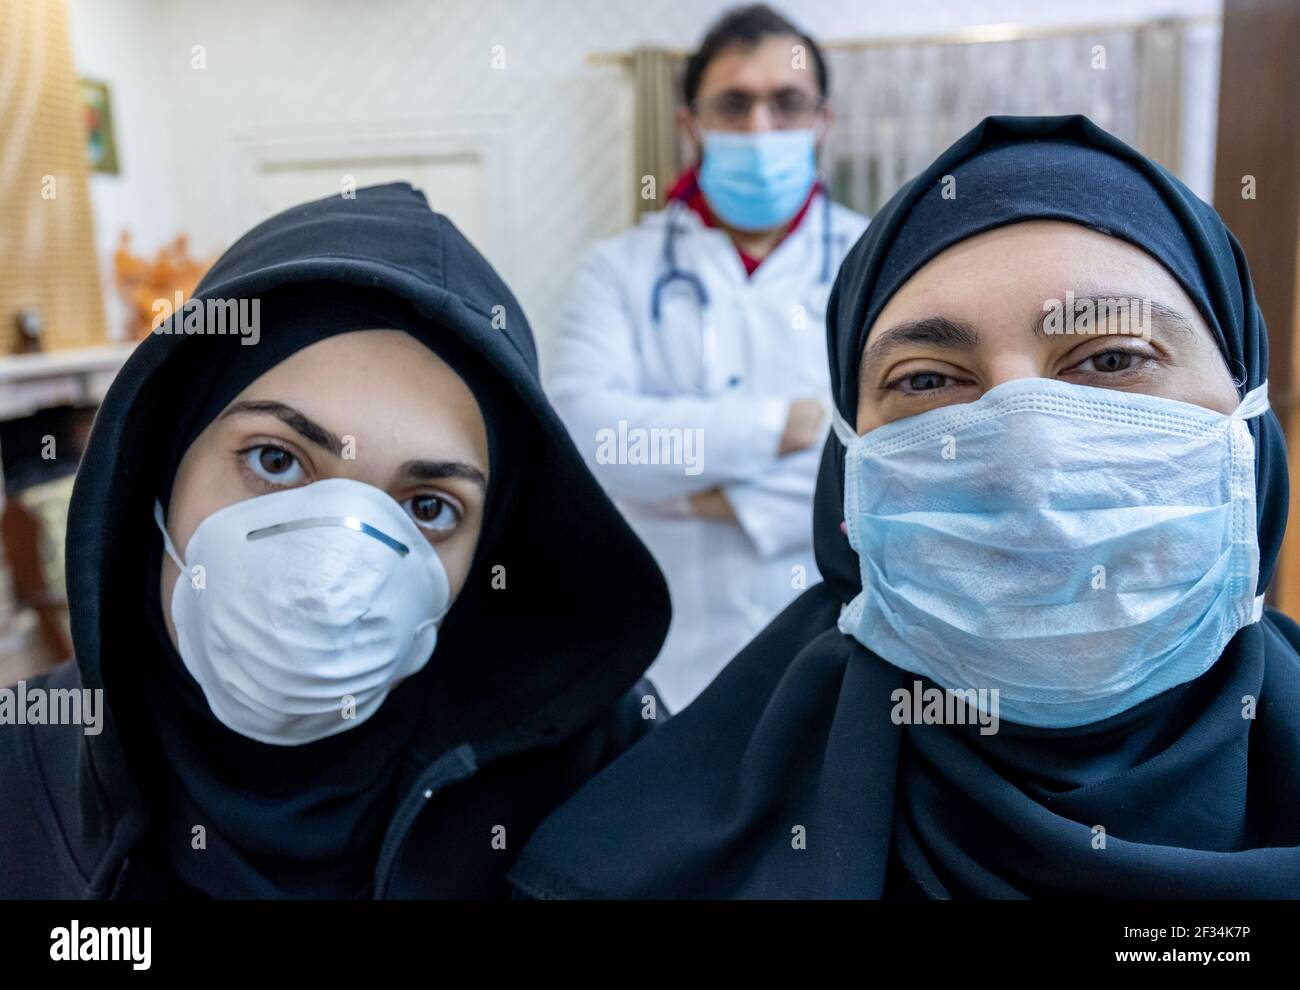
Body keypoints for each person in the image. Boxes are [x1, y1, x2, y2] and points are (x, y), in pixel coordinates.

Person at [507, 116, 1300, 898]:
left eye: (1113, 358)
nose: (1026, 460)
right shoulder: (635, 870)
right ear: (846, 463)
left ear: (1250, 408)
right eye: (927, 380)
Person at [0, 183, 670, 899]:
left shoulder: (599, 773)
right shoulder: (22, 781)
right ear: (163, 463)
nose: (333, 571)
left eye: (428, 506)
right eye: (277, 460)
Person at [547, 4, 868, 712]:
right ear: (691, 124)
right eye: (734, 105)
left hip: (836, 649)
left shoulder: (875, 261)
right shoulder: (618, 269)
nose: (760, 129)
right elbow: (589, 437)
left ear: (823, 121)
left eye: (786, 104)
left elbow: (880, 461)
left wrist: (689, 494)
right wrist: (780, 425)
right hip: (666, 654)